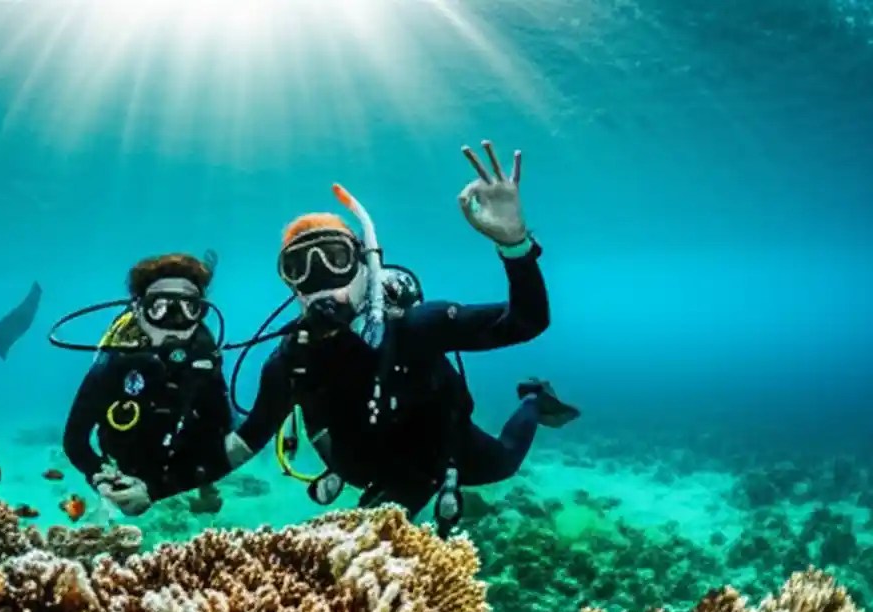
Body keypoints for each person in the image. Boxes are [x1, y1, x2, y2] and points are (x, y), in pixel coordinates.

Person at [227, 141, 578, 537]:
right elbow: (246, 439)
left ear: (365, 264)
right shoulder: (291, 360)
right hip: (362, 465)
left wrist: (515, 244)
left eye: (335, 258)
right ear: (292, 286)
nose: (321, 278)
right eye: (299, 267)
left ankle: (532, 396)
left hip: (444, 448)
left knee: (506, 463)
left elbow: (527, 321)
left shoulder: (418, 327)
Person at [60, 252, 231, 516]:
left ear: (201, 312)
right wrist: (98, 474)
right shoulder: (117, 358)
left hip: (179, 451)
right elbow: (75, 439)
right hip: (125, 453)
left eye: (189, 308)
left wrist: (177, 484)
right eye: (159, 308)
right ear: (138, 310)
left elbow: (219, 430)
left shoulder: (203, 357)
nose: (174, 323)